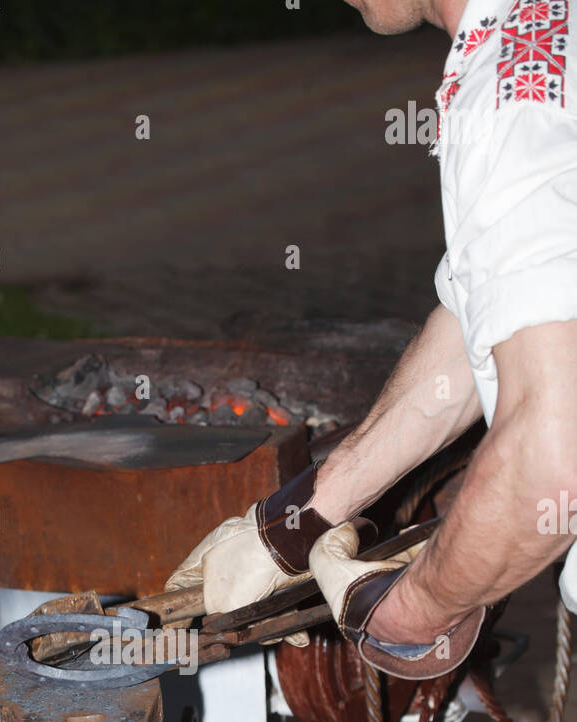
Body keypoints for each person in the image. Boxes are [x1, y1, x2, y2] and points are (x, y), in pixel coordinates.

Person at [167, 0, 577, 678]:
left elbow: (551, 467)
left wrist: (409, 614)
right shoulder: (544, 32)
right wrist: (293, 525)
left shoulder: (514, 97)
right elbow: (487, 312)